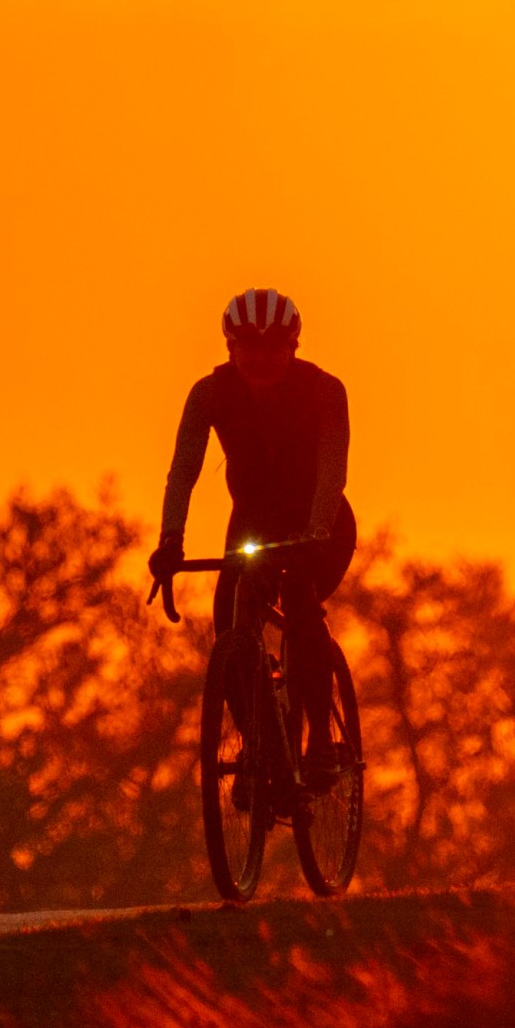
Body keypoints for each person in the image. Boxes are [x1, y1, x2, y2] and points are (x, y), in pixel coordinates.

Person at [147, 288, 357, 787]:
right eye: (249, 347)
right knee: (229, 622)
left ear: (294, 346)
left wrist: (317, 531)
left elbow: (333, 470)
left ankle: (320, 743)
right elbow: (183, 472)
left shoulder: (325, 391)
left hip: (321, 520)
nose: (261, 359)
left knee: (300, 603)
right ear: (230, 347)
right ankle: (260, 744)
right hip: (253, 523)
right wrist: (169, 540)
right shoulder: (209, 394)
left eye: (273, 347)